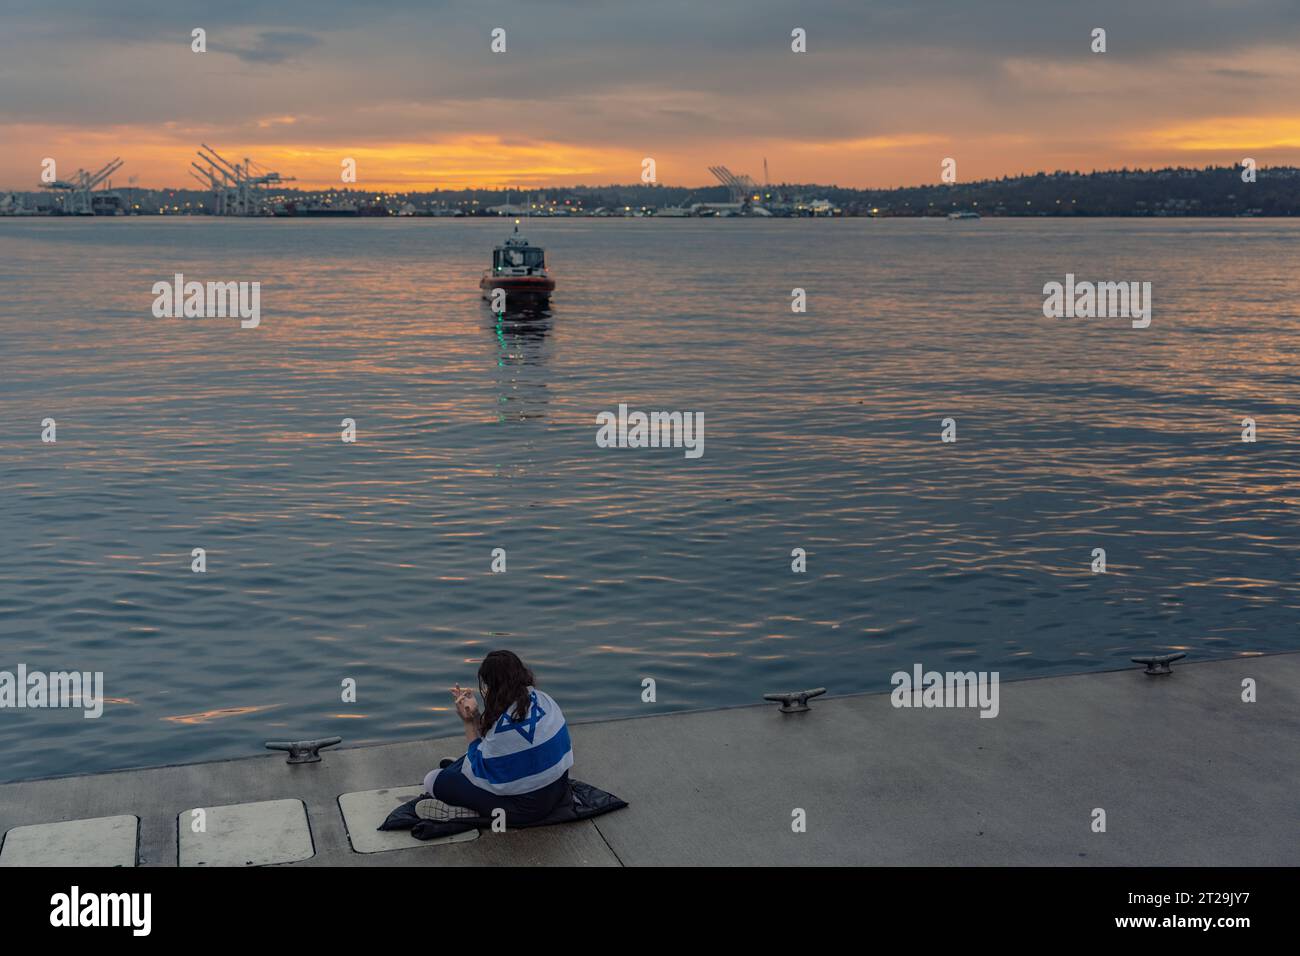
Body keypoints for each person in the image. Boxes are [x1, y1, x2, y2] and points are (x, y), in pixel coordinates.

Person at [421, 650, 573, 825]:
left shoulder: (503, 730)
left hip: (527, 809)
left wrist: (468, 722)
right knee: (467, 761)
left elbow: (475, 770)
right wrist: (476, 715)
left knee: (433, 780)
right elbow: (498, 741)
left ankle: (469, 812)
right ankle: (460, 771)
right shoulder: (544, 700)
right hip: (558, 790)